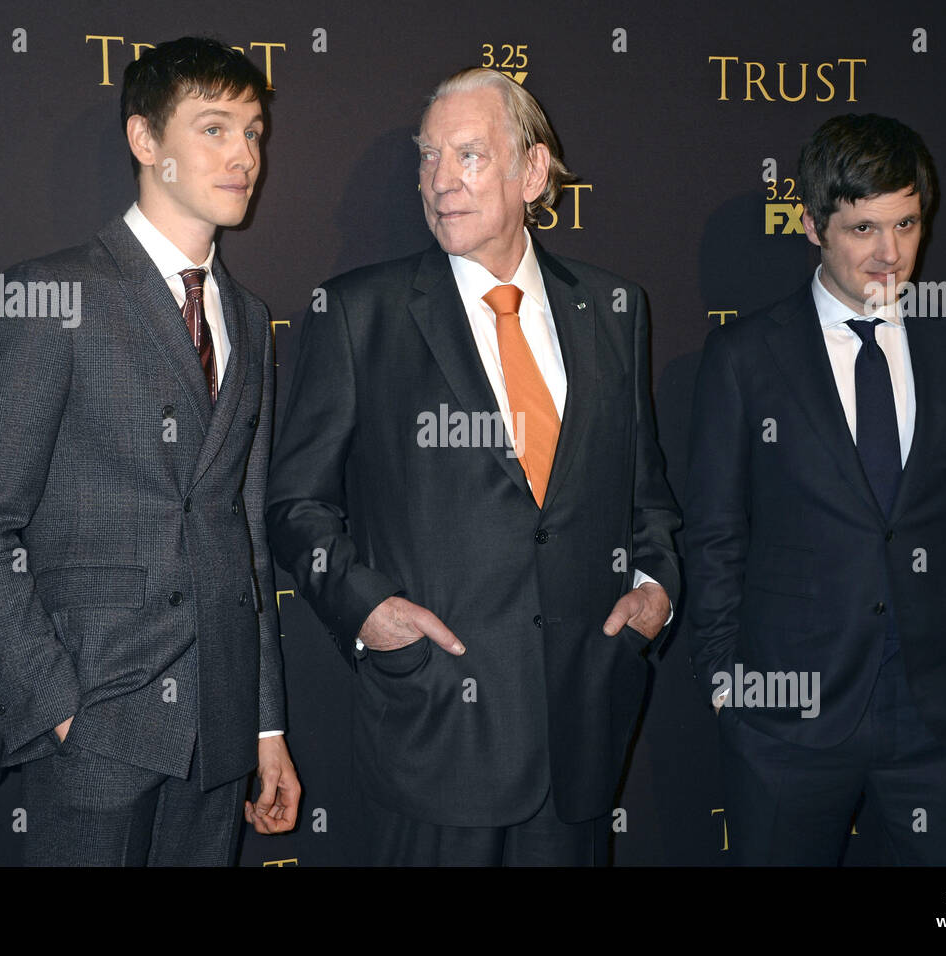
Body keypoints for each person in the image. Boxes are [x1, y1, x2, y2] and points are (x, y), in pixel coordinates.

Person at [266, 67, 680, 865]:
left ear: (532, 172)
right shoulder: (358, 315)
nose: (440, 181)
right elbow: (296, 505)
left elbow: (646, 494)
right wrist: (370, 612)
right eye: (428, 158)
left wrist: (655, 589)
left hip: (581, 738)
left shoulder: (614, 310)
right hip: (432, 736)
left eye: (468, 156)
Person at [0, 36, 300, 866]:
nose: (244, 154)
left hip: (221, 731)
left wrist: (265, 722)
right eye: (214, 129)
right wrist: (57, 703)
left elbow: (244, 538)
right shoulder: (50, 297)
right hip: (97, 727)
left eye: (252, 131)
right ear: (145, 141)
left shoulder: (247, 316)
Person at [684, 114, 946, 865]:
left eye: (907, 223)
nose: (891, 254)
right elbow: (715, 535)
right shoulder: (744, 358)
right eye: (863, 229)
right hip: (786, 719)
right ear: (812, 226)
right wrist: (727, 690)